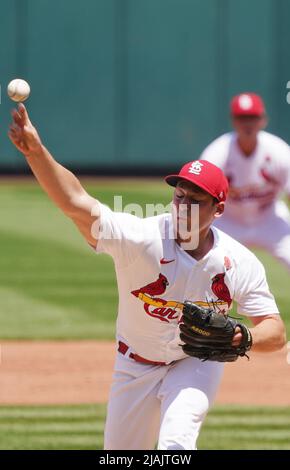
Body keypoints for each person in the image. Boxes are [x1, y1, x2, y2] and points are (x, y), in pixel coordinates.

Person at [8, 104, 286, 450]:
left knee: (175, 445)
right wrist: (36, 154)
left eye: (195, 200)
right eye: (179, 195)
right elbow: (76, 204)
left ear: (218, 210)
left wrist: (240, 337)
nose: (182, 205)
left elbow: (275, 331)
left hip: (195, 363)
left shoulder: (238, 261)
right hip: (133, 364)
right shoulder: (141, 238)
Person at [200, 92, 290, 272]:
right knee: (202, 265)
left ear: (263, 120)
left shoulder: (279, 151)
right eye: (242, 117)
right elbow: (200, 195)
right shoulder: (217, 153)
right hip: (229, 221)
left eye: (252, 117)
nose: (247, 123)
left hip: (270, 219)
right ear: (233, 120)